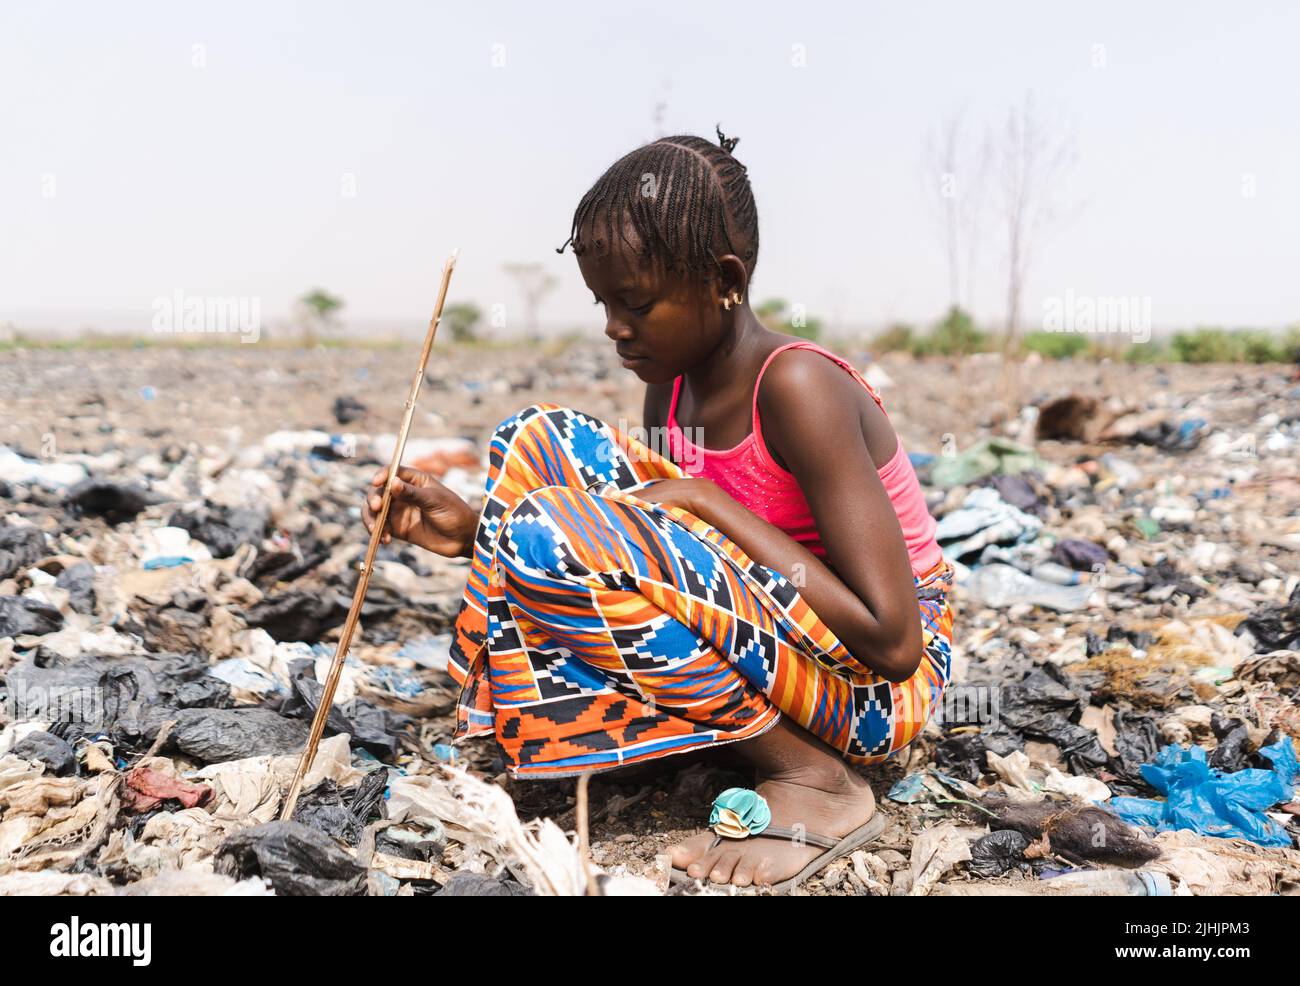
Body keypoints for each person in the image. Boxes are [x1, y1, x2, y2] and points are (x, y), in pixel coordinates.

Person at [363, 127, 953, 891]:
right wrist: (480, 533)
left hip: (878, 690)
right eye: (603, 302)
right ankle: (700, 730)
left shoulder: (799, 389)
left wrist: (712, 502)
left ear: (724, 280)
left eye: (635, 302)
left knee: (557, 521)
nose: (614, 326)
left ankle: (817, 781)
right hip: (784, 644)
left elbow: (894, 639)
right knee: (535, 439)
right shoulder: (669, 385)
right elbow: (648, 552)